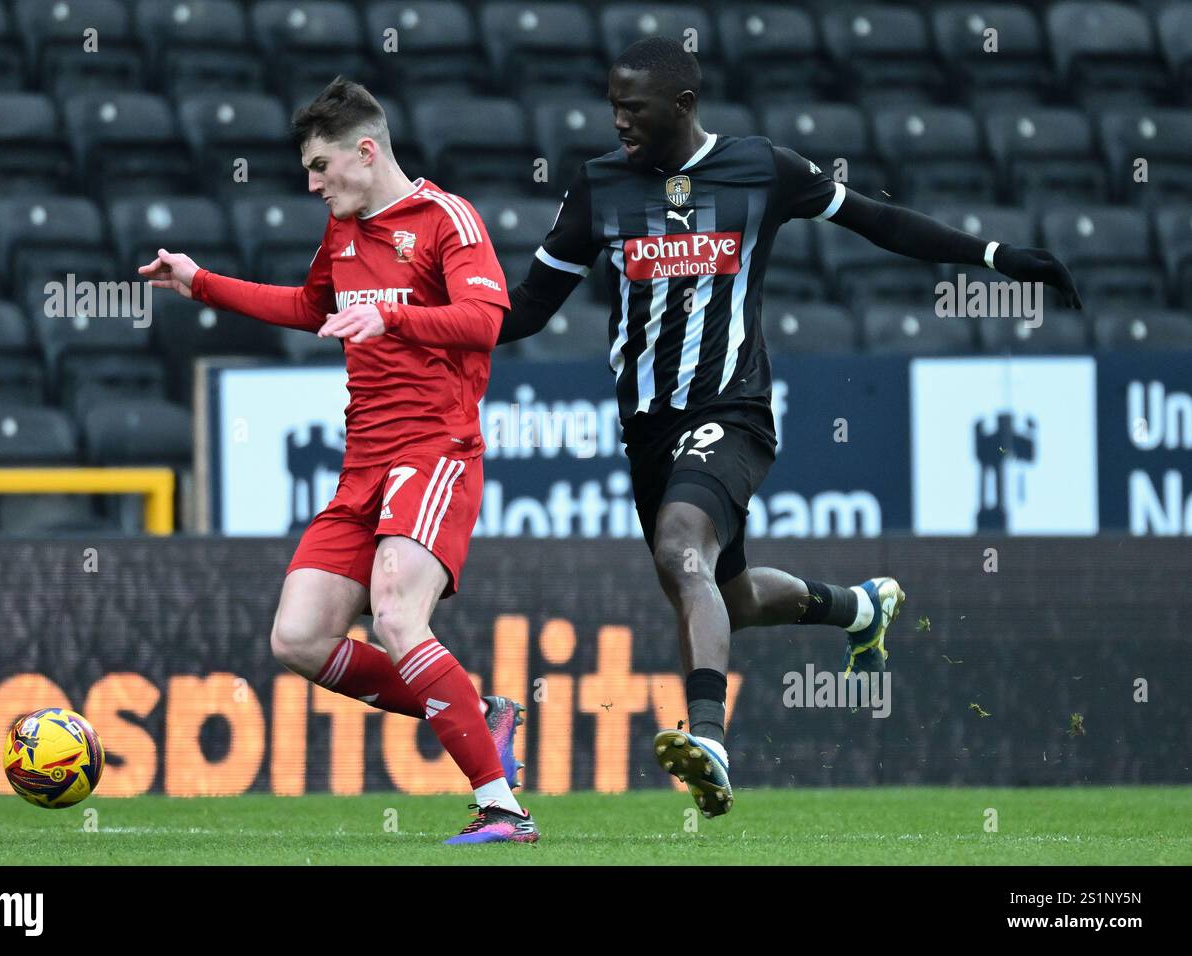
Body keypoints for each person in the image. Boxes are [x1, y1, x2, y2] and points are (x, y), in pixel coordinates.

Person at [499, 37, 1082, 818]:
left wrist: (994, 254)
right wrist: (419, 322)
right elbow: (526, 310)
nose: (617, 121)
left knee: (682, 548)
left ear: (682, 105)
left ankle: (708, 737)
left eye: (631, 107)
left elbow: (878, 221)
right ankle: (858, 607)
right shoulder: (600, 187)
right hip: (645, 429)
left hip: (732, 411)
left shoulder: (761, 169)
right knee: (724, 594)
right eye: (611, 104)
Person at [140, 77, 537, 845]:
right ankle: (482, 715)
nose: (312, 183)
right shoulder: (343, 232)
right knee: (297, 638)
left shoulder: (446, 219)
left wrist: (390, 313)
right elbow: (308, 307)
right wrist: (202, 283)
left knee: (394, 612)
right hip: (363, 466)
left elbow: (487, 322)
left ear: (366, 150)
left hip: (435, 450)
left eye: (321, 166)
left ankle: (502, 808)